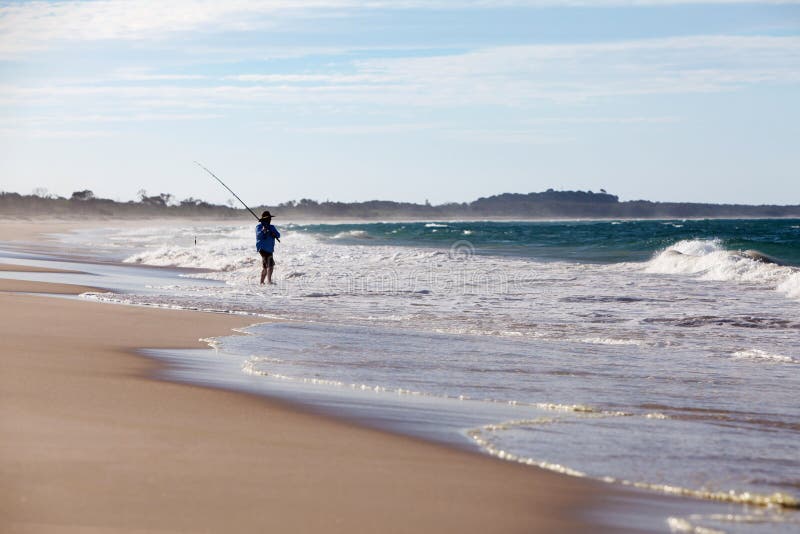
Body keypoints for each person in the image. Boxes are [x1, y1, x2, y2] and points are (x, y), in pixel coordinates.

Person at [256, 210, 280, 285]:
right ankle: (269, 281)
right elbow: (259, 236)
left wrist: (273, 233)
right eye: (268, 219)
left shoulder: (272, 227)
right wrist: (263, 231)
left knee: (265, 267)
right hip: (262, 248)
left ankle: (262, 282)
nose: (269, 220)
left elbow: (278, 235)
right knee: (271, 265)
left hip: (270, 249)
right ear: (264, 219)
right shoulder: (259, 227)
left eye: (270, 218)